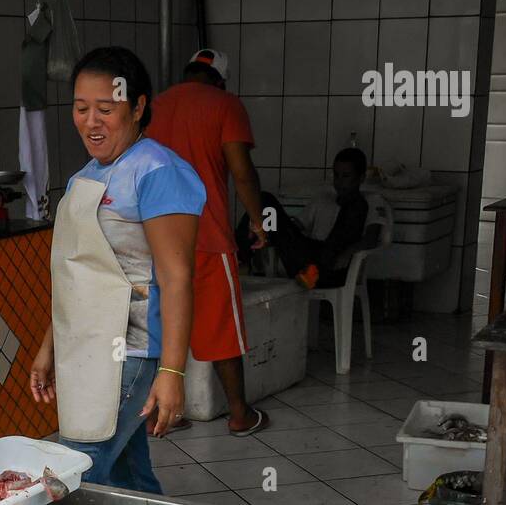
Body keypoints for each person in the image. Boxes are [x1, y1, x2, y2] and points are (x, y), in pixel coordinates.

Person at [29, 47, 204, 493]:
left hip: (132, 351)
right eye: (81, 108)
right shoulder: (85, 176)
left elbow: (177, 277)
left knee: (76, 472)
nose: (91, 121)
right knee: (130, 476)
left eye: (106, 109)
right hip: (85, 347)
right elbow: (76, 277)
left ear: (139, 106)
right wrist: (50, 346)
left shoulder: (157, 172)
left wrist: (172, 373)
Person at [148, 48, 271, 436]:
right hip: (206, 235)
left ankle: (161, 414)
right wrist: (257, 219)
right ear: (219, 79)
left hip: (153, 237)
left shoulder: (154, 105)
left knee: (160, 324)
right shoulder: (225, 104)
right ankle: (239, 415)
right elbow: (241, 170)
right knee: (221, 330)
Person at [240, 148, 373, 289]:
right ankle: (243, 257)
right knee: (265, 205)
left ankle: (241, 259)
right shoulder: (341, 202)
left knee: (265, 200)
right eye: (336, 175)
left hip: (322, 271)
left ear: (361, 178)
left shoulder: (359, 205)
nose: (339, 182)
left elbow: (369, 239)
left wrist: (347, 253)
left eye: (346, 176)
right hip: (316, 262)